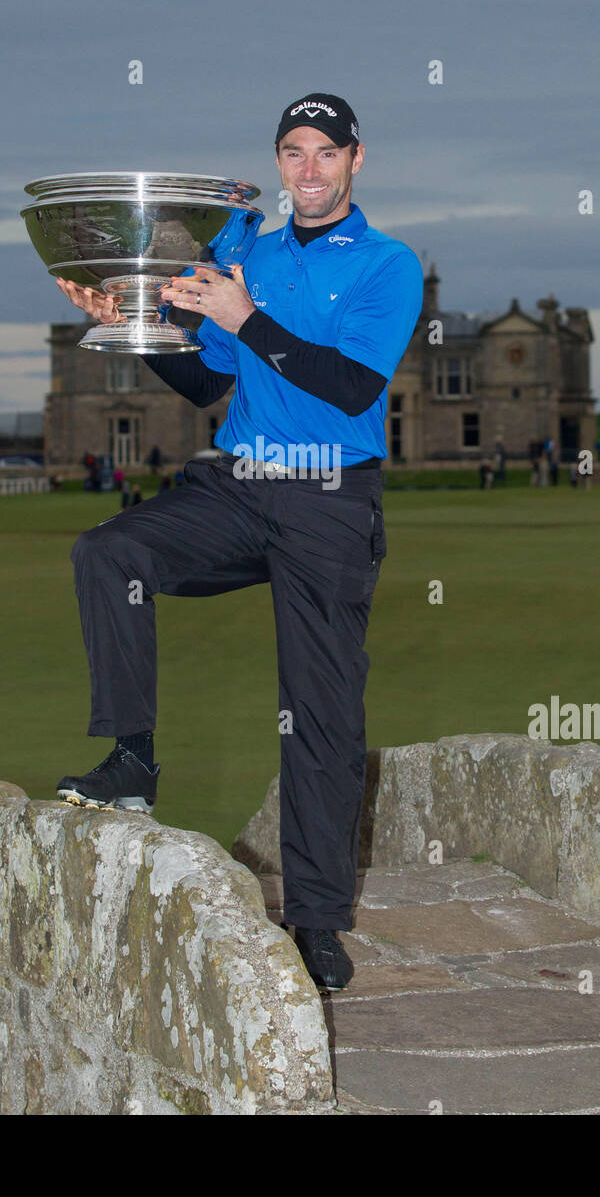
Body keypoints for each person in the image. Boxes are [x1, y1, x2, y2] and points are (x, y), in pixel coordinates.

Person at [52, 92, 422, 991]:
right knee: (111, 553)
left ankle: (319, 922)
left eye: (323, 153)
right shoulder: (242, 247)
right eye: (291, 152)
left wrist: (244, 315)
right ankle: (131, 761)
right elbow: (202, 385)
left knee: (321, 715)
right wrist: (127, 318)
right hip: (241, 483)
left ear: (355, 161)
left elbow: (348, 385)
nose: (306, 170)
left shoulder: (387, 264)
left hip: (331, 499)